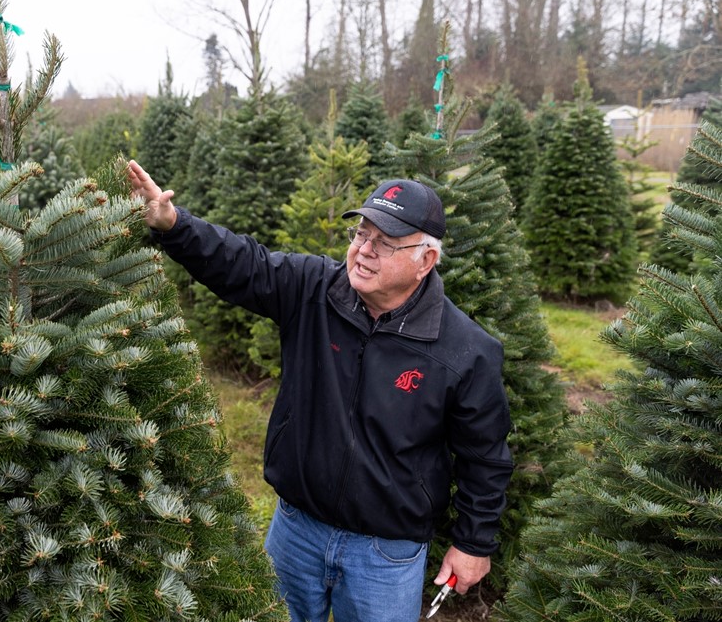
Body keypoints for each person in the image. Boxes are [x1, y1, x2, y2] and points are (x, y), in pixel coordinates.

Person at [125, 159, 514, 622]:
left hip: (385, 554)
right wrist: (173, 224)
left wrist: (473, 543)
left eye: (385, 243)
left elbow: (485, 457)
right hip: (296, 530)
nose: (364, 251)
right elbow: (242, 262)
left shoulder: (465, 351)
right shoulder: (315, 290)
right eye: (361, 235)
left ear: (424, 259)